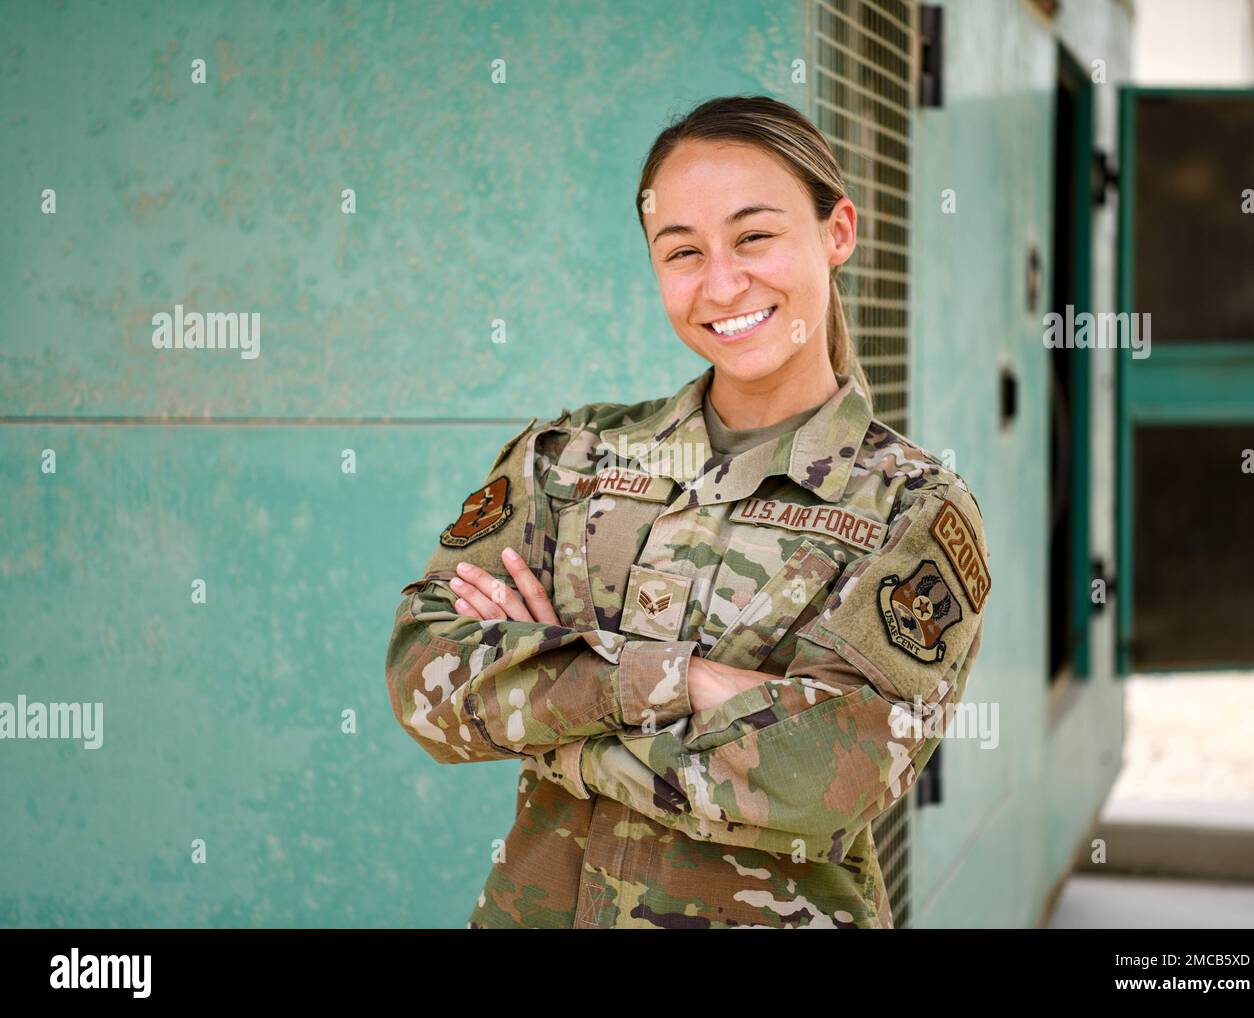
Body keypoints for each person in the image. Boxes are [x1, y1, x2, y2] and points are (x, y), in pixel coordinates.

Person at [385, 94, 991, 929]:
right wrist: (691, 681)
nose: (722, 283)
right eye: (682, 252)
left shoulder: (909, 508)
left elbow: (827, 779)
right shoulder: (570, 459)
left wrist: (545, 704)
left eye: (754, 237)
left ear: (837, 231)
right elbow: (425, 683)